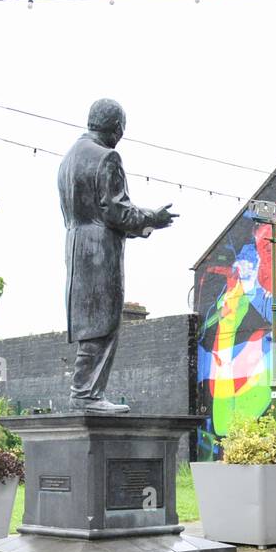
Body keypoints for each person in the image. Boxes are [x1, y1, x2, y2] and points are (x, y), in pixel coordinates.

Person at [58, 98, 177, 413]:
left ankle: (85, 392)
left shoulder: (68, 159)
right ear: (116, 128)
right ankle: (86, 394)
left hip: (76, 247)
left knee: (90, 322)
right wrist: (154, 218)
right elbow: (117, 212)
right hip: (100, 251)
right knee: (104, 322)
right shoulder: (107, 157)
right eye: (121, 130)